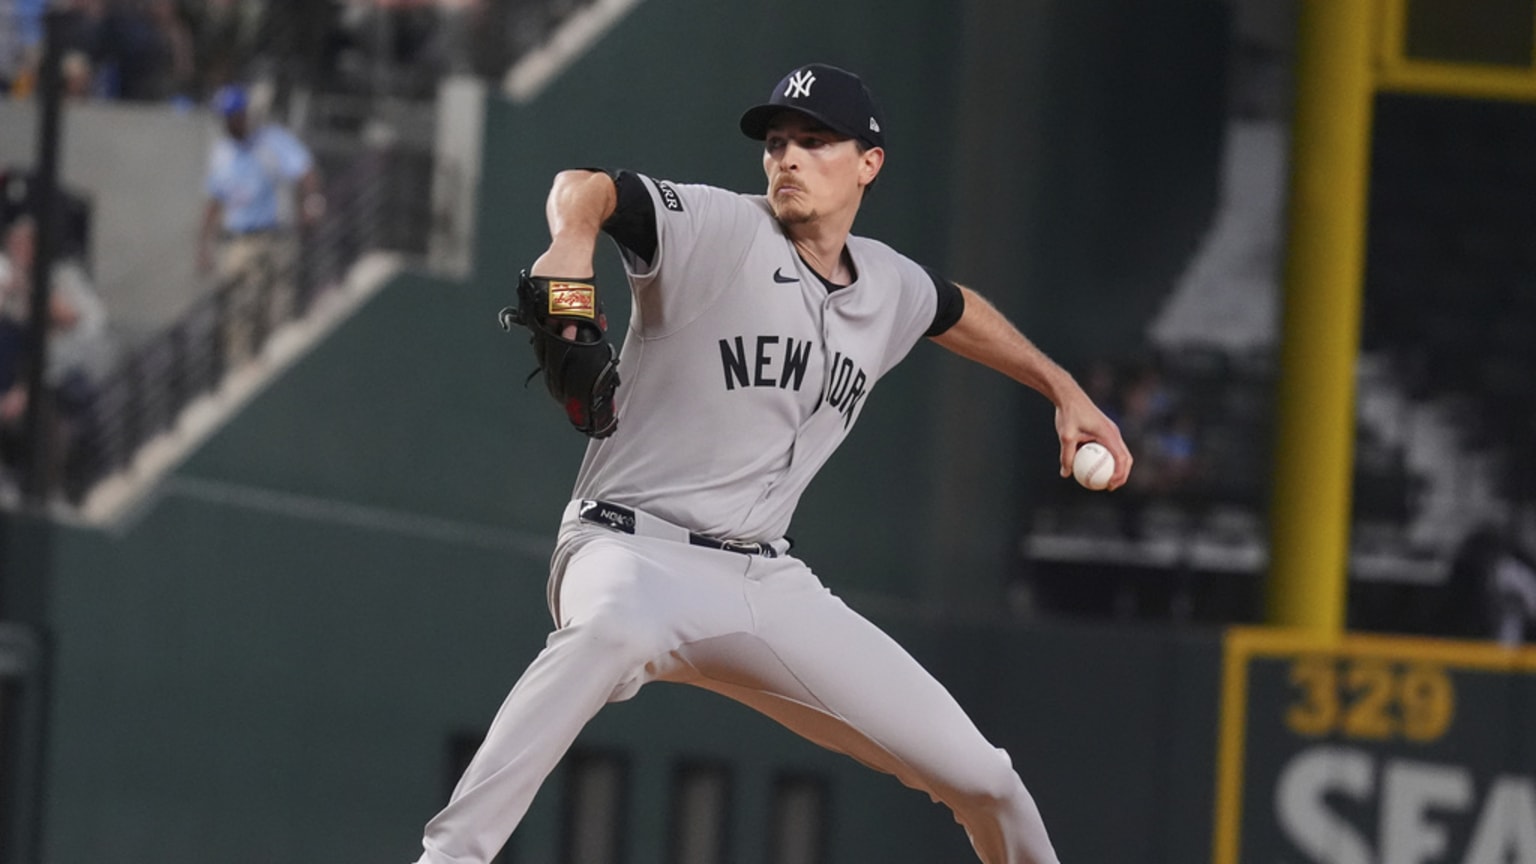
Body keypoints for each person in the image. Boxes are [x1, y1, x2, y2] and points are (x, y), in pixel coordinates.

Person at [414, 63, 1133, 864]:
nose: (786, 157)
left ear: (869, 162)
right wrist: (572, 246)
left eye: (814, 141)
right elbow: (586, 187)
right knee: (606, 631)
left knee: (987, 780)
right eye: (777, 142)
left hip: (764, 583)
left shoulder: (887, 283)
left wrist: (1061, 387)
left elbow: (955, 310)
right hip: (627, 548)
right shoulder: (721, 228)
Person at [198, 83, 323, 367]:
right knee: (239, 311)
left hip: (277, 236)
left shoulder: (272, 141)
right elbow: (213, 202)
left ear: (244, 114)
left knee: (278, 311)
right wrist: (203, 246)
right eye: (225, 117)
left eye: (234, 115)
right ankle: (240, 371)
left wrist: (312, 202)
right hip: (240, 240)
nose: (230, 122)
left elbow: (305, 171)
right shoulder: (222, 152)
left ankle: (277, 370)